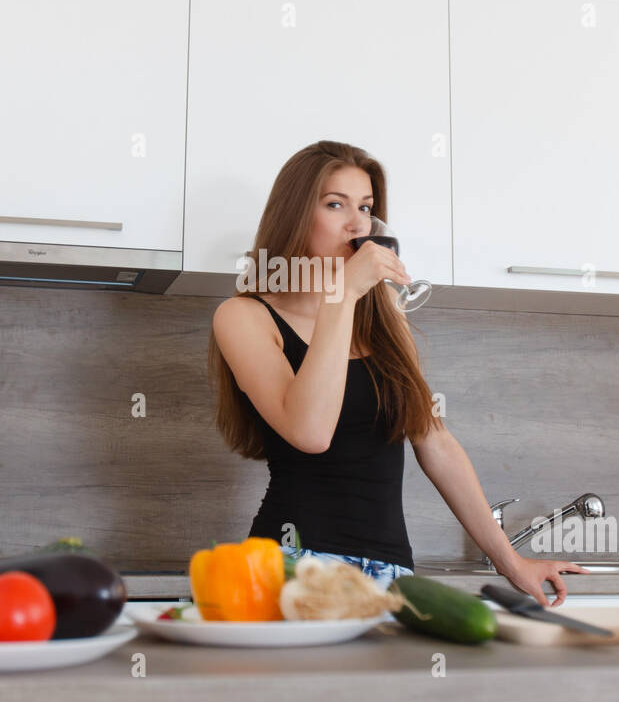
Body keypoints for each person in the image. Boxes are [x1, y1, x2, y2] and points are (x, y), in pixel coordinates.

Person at [209, 140, 589, 604]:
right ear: (294, 214)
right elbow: (311, 433)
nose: (356, 224)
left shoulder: (385, 315)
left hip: (390, 573)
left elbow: (436, 443)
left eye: (365, 208)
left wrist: (512, 562)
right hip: (290, 567)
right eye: (335, 204)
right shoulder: (243, 316)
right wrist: (341, 296)